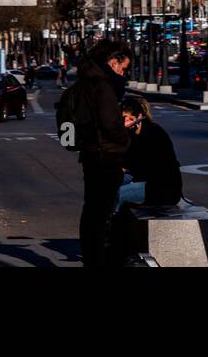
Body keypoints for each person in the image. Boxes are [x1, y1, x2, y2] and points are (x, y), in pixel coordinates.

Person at [75, 39, 131, 268]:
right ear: (113, 61)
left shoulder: (87, 79)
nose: (123, 74)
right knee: (101, 215)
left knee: (91, 212)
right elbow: (110, 122)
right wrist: (125, 140)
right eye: (123, 67)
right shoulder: (103, 84)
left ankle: (91, 260)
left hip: (91, 153)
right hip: (105, 155)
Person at [117, 95, 182, 208]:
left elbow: (145, 168)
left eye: (130, 119)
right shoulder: (132, 134)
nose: (126, 124)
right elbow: (125, 163)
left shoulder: (153, 133)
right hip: (144, 181)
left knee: (117, 194)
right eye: (123, 119)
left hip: (161, 188)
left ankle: (109, 224)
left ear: (139, 117)